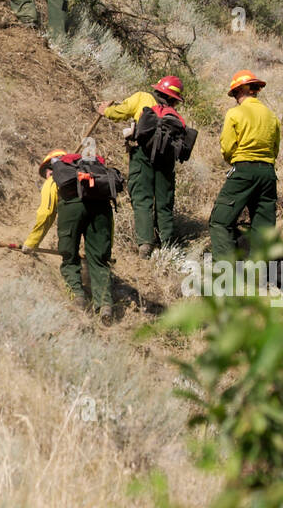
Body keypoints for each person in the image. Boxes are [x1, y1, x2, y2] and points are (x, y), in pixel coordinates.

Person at [22, 148, 116, 326]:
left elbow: (46, 213)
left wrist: (31, 243)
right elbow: (108, 225)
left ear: (53, 165)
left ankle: (78, 298)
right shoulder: (92, 174)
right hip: (102, 209)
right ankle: (105, 306)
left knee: (69, 255)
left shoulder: (56, 178)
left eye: (46, 171)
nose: (47, 175)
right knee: (99, 261)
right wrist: (106, 249)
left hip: (71, 208)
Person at [100, 76, 186, 258]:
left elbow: (119, 113)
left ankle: (145, 244)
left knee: (141, 198)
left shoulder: (141, 98)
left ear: (158, 90)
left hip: (142, 155)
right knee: (164, 201)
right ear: (174, 99)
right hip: (166, 160)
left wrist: (105, 110)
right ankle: (168, 245)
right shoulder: (173, 115)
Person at [209, 70, 281, 265]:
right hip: (268, 174)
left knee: (220, 221)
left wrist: (237, 162)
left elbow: (227, 147)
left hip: (243, 170)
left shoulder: (235, 113)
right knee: (263, 228)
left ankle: (226, 274)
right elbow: (275, 149)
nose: (235, 98)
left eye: (235, 94)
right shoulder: (271, 116)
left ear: (241, 90)